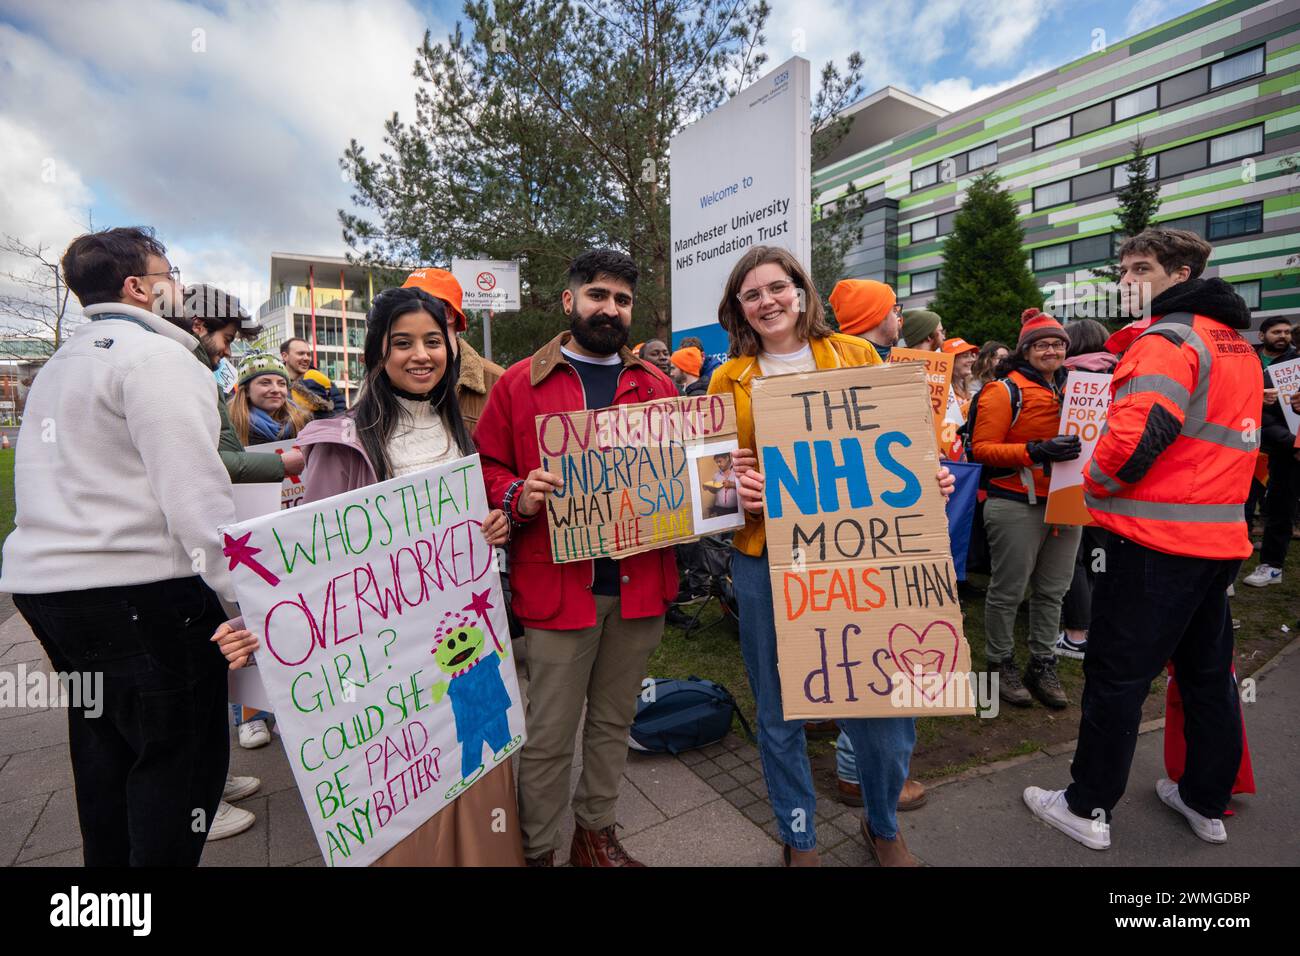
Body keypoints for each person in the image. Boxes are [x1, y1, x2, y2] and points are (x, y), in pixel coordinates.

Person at [229, 286, 518, 866]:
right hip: (387, 659)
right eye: (403, 343)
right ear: (377, 355)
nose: (422, 356)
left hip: (461, 639)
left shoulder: (463, 430)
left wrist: (491, 529)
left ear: (451, 348)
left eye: (434, 341)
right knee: (408, 782)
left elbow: (465, 524)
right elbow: (311, 557)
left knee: (473, 758)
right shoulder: (344, 441)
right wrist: (253, 622)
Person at [708, 245, 954, 867]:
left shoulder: (856, 355)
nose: (767, 301)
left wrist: (930, 478)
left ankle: (883, 824)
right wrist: (735, 494)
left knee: (881, 703)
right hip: (766, 558)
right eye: (752, 294)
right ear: (739, 309)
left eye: (777, 287)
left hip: (859, 556)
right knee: (782, 708)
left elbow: (896, 446)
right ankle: (799, 837)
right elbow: (709, 485)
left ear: (801, 290)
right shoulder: (726, 379)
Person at [1, 227, 236, 865]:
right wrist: (243, 601)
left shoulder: (62, 363)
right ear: (139, 288)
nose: (181, 285)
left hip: (51, 590)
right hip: (142, 592)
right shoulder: (158, 359)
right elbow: (197, 499)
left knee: (105, 754)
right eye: (171, 273)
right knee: (176, 765)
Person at [1024, 228, 1259, 850]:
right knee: (1207, 675)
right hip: (1218, 542)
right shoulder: (1236, 344)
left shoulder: (1168, 339)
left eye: (1141, 268)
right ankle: (1205, 801)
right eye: (1123, 268)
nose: (1127, 280)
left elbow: (1132, 442)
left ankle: (1085, 805)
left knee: (1116, 676)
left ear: (1181, 274)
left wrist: (1090, 486)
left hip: (1154, 539)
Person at [474, 249, 679, 867]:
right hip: (559, 587)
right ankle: (535, 852)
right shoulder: (519, 382)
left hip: (641, 582)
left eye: (621, 300)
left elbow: (690, 470)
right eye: (598, 295)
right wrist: (518, 496)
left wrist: (719, 484)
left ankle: (595, 837)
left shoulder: (657, 386)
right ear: (570, 302)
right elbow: (486, 466)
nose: (609, 309)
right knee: (548, 735)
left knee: (614, 722)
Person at [969, 308, 1081, 710]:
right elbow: (979, 449)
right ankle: (1000, 663)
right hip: (1017, 501)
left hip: (1068, 498)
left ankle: (1042, 662)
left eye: (1057, 344)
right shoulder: (1003, 390)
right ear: (1026, 350)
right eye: (1041, 344)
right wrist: (1035, 451)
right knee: (1009, 591)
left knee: (1054, 590)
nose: (1051, 350)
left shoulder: (1078, 388)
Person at [1055, 319, 1117, 661]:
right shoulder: (1122, 376)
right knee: (1099, 554)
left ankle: (1075, 634)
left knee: (1073, 558)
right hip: (1111, 479)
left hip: (1071, 480)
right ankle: (1096, 625)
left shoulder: (1067, 380)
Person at [400, 267, 506, 433]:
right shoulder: (388, 378)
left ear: (449, 314)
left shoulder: (499, 383)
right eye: (403, 307)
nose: (408, 314)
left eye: (419, 305)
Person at [1241, 317, 1300, 587]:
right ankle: (1253, 559)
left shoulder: (1294, 365)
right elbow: (1257, 410)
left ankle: (1272, 563)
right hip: (1257, 445)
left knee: (1281, 507)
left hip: (1283, 449)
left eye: (1288, 332)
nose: (1283, 336)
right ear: (1262, 335)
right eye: (1277, 332)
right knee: (1251, 504)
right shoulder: (1249, 361)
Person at [828, 278, 903, 362]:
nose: (899, 318)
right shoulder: (843, 366)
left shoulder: (838, 360)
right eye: (895, 310)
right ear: (878, 316)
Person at [281, 336, 345, 416]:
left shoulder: (321, 380)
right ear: (285, 356)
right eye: (300, 353)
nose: (306, 358)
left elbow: (341, 411)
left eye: (308, 354)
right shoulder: (273, 382)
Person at [943, 337, 979, 418]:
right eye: (965, 356)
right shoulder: (943, 394)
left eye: (971, 355)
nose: (972, 360)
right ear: (951, 361)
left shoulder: (969, 391)